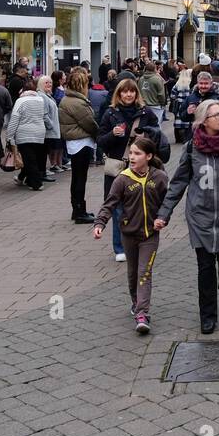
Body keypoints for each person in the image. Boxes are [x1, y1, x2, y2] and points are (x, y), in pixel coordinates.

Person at [153, 100, 219, 335]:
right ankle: (208, 316)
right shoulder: (192, 148)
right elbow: (179, 182)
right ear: (204, 121)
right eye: (216, 115)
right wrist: (164, 212)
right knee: (205, 266)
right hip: (200, 215)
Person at [94, 135, 170, 335]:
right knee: (132, 273)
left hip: (150, 235)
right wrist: (100, 223)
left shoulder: (160, 177)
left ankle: (142, 313)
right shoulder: (123, 179)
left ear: (149, 156)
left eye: (137, 153)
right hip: (128, 234)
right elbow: (109, 203)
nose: (132, 157)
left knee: (145, 272)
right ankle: (136, 302)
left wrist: (163, 218)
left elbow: (167, 203)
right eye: (131, 153)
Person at [97, 79, 160, 262]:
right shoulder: (110, 113)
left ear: (136, 93)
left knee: (142, 206)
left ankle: (141, 242)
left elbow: (157, 134)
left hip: (141, 167)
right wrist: (112, 134)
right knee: (118, 209)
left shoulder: (146, 112)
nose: (128, 95)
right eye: (124, 92)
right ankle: (120, 247)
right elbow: (100, 140)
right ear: (119, 94)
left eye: (131, 91)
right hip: (118, 166)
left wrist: (147, 134)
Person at [59, 69, 100, 224]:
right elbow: (89, 123)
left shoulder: (68, 99)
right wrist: (99, 135)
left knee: (77, 177)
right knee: (80, 178)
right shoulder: (77, 102)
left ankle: (77, 209)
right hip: (81, 141)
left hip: (75, 141)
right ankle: (79, 211)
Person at [8, 78, 49, 192]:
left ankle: (37, 183)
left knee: (29, 160)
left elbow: (15, 119)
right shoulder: (40, 100)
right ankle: (24, 179)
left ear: (23, 90)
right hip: (39, 133)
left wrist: (9, 136)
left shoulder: (21, 101)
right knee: (32, 158)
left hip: (24, 134)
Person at [36, 75, 62, 180]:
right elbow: (44, 114)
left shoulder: (47, 95)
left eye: (50, 82)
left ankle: (42, 173)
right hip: (46, 131)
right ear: (41, 84)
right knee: (42, 153)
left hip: (49, 130)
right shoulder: (42, 96)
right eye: (46, 83)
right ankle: (42, 174)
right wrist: (51, 126)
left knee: (44, 152)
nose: (49, 84)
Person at [45, 71, 67, 173]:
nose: (65, 77)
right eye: (63, 76)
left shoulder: (63, 88)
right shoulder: (56, 91)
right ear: (59, 78)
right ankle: (54, 163)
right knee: (56, 143)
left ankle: (60, 163)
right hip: (56, 118)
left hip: (62, 118)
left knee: (61, 143)